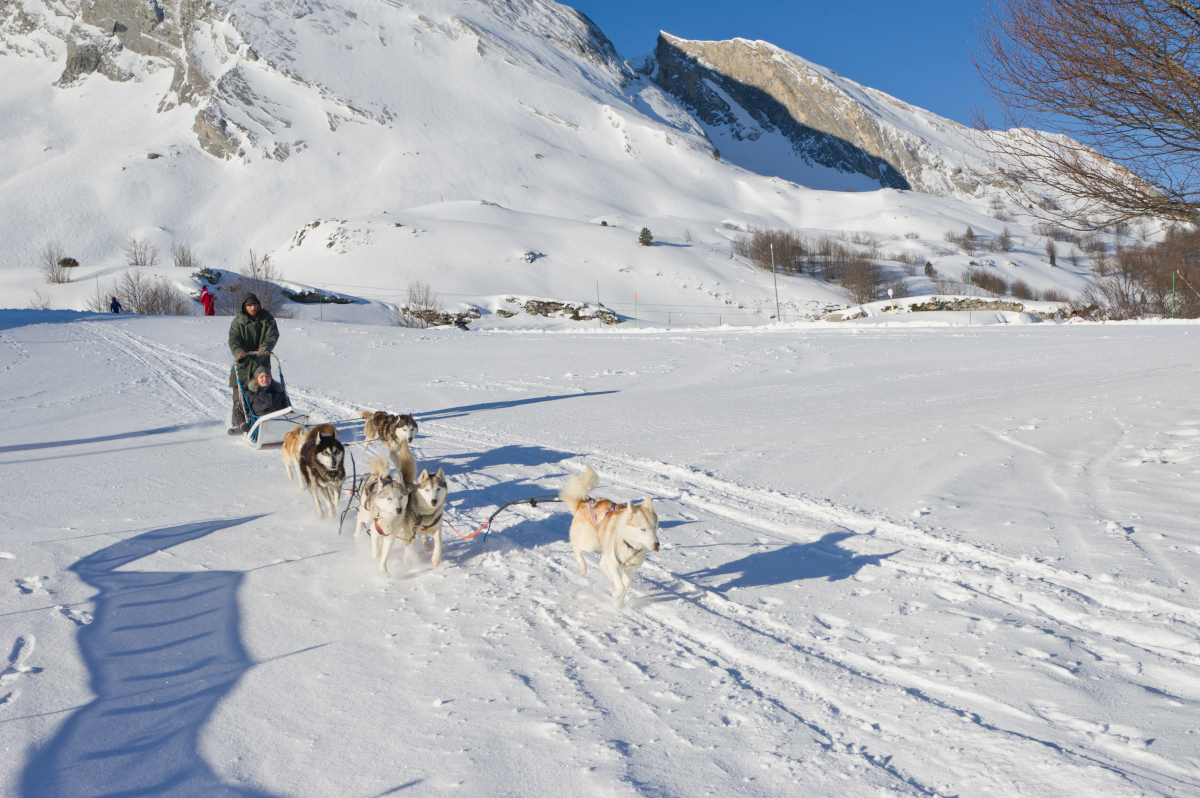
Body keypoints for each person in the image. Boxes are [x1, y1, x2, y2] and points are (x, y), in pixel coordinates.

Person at [228, 294, 279, 435]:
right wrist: (237, 350)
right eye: (250, 305)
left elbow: (273, 334)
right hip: (243, 363)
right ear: (244, 307)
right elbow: (233, 339)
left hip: (260, 362)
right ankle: (238, 424)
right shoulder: (238, 322)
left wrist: (265, 347)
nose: (253, 308)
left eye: (255, 304)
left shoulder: (267, 319)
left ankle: (267, 420)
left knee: (264, 391)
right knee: (240, 394)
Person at [230, 366, 289, 434]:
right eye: (261, 377)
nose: (265, 379)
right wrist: (242, 424)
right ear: (256, 379)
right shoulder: (251, 394)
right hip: (258, 428)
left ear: (271, 378)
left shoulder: (278, 392)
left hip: (278, 426)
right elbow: (239, 412)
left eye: (267, 376)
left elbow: (287, 410)